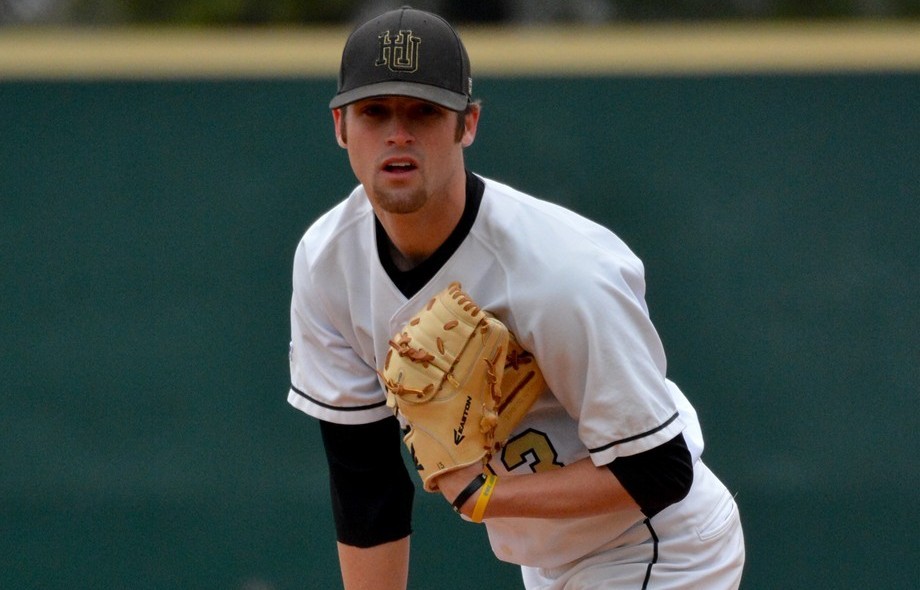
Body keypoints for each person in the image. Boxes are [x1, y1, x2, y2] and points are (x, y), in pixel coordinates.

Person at [287, 6, 745, 589]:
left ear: (467, 124)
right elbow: (365, 481)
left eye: (424, 111)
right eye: (375, 111)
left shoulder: (560, 272)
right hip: (547, 559)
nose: (398, 132)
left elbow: (660, 470)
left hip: (660, 543)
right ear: (340, 126)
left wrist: (487, 495)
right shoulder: (326, 262)